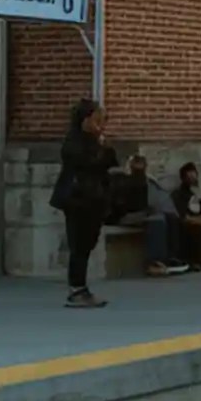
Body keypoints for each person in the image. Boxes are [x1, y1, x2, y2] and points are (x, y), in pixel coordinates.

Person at [49, 99, 118, 308]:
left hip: (93, 199)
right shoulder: (74, 141)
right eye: (97, 119)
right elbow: (86, 163)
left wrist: (104, 146)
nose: (101, 124)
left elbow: (109, 162)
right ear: (86, 119)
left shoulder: (95, 141)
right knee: (78, 244)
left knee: (87, 244)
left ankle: (81, 287)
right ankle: (76, 289)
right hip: (77, 199)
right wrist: (100, 147)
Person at [107, 155, 189, 276]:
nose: (139, 168)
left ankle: (171, 258)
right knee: (157, 219)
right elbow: (119, 204)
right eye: (136, 165)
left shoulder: (146, 181)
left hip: (140, 214)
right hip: (121, 216)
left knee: (170, 217)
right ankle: (154, 263)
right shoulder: (119, 179)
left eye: (142, 166)